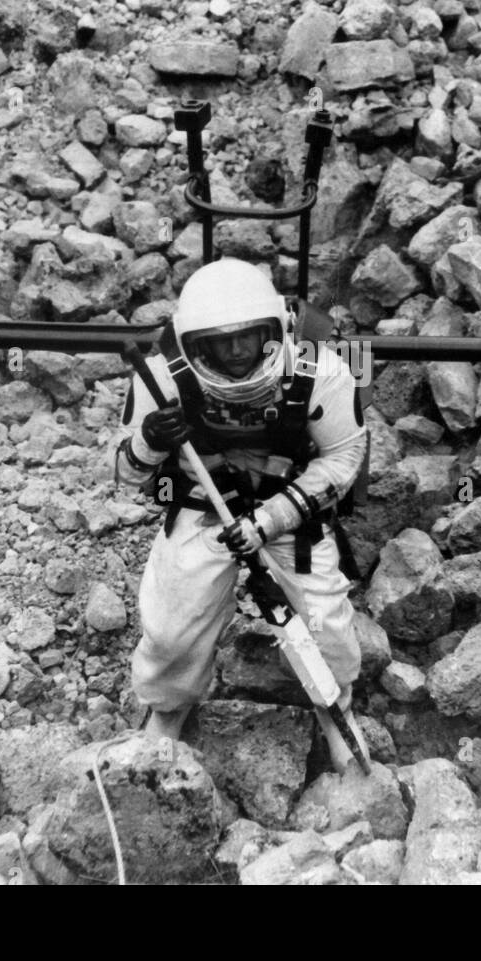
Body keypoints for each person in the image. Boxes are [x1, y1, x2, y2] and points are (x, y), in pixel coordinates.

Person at [113, 257, 368, 769]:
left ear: (276, 329)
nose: (234, 350)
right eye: (219, 341)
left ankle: (331, 700)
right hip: (205, 507)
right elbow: (126, 472)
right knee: (170, 627)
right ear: (192, 342)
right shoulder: (161, 378)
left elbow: (345, 455)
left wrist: (272, 519)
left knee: (324, 623)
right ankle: (168, 704)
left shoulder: (321, 371)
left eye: (248, 336)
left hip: (289, 510)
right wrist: (148, 442)